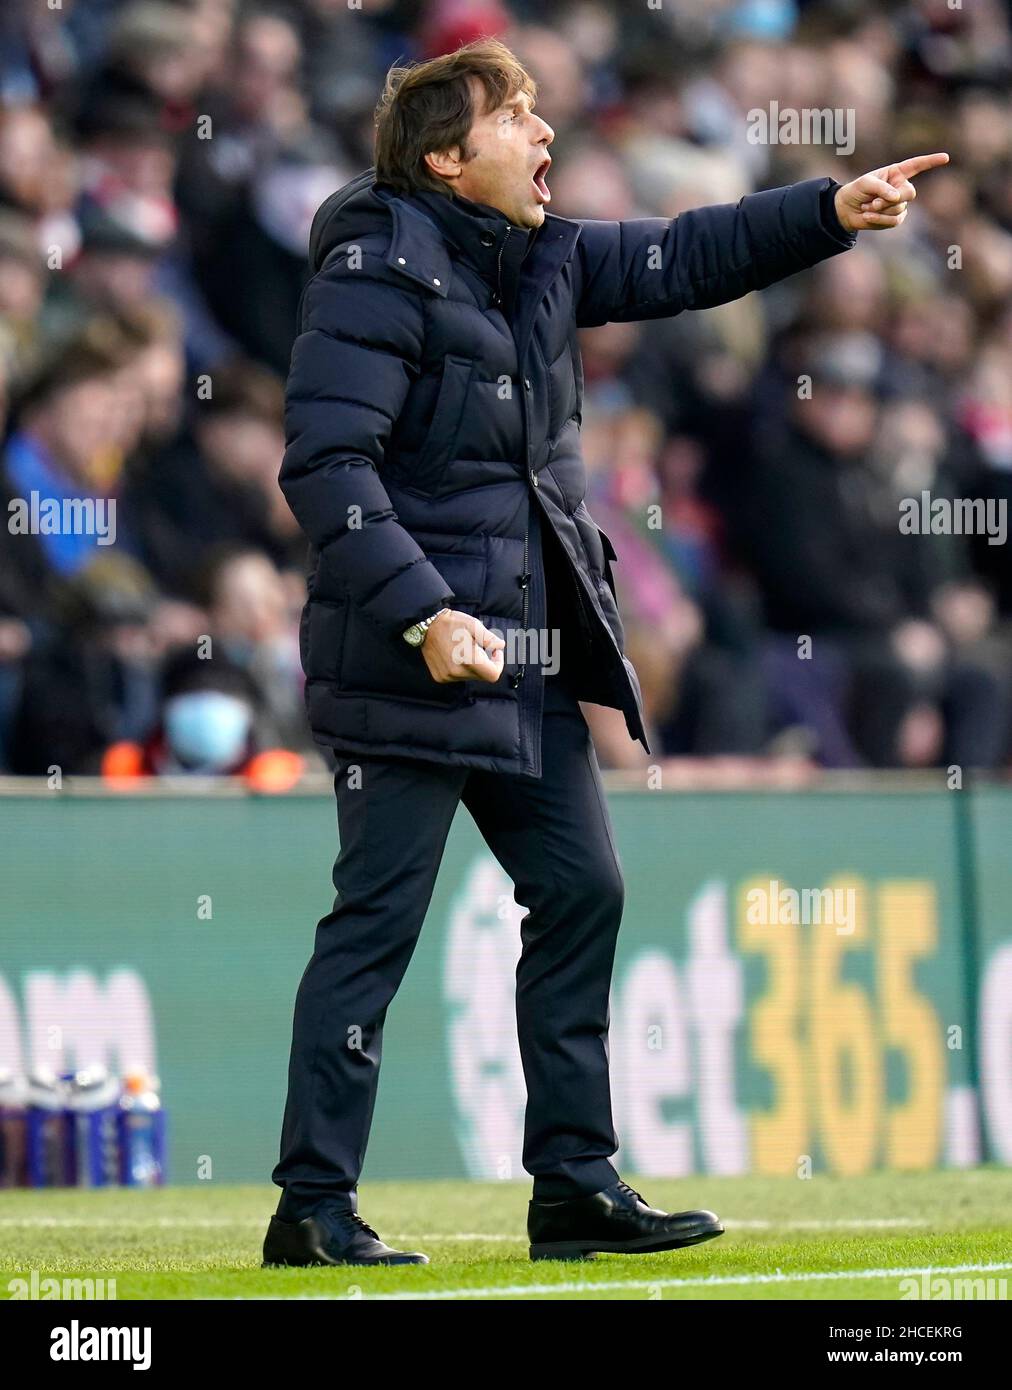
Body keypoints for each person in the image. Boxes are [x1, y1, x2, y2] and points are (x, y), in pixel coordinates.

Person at [265, 37, 948, 1268]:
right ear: (442, 157)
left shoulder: (542, 257)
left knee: (583, 890)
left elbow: (686, 252)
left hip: (521, 653)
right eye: (512, 116)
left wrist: (828, 213)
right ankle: (311, 1206)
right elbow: (325, 467)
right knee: (376, 929)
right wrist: (427, 617)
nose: (542, 134)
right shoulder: (372, 272)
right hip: (406, 662)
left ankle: (572, 1185)